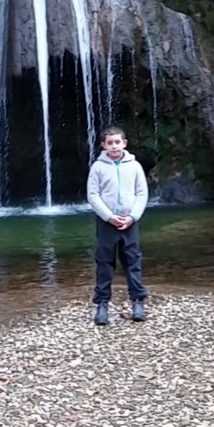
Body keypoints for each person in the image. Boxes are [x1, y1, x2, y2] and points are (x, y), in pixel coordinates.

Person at [86, 125, 149, 326]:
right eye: (110, 143)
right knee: (104, 263)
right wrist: (109, 216)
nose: (114, 147)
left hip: (130, 221)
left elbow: (142, 193)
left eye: (117, 142)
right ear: (103, 146)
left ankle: (138, 302)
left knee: (133, 261)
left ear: (124, 143)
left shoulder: (134, 166)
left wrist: (133, 216)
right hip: (107, 223)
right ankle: (102, 305)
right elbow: (93, 195)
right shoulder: (97, 167)